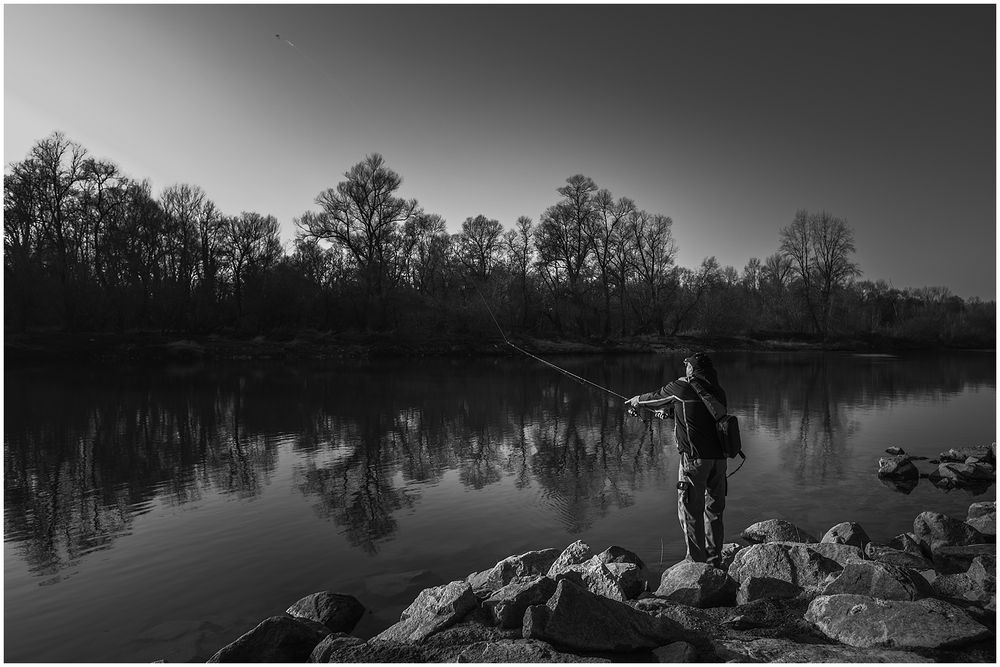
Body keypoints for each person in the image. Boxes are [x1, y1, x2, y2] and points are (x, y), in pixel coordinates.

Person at [626, 352, 728, 568]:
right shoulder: (717, 391)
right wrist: (672, 413)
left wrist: (637, 401)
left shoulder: (681, 386)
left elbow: (655, 397)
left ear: (693, 369)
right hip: (719, 461)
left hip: (695, 461)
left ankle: (696, 564)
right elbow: (700, 415)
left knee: (690, 510)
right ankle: (714, 561)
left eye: (687, 365)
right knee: (714, 511)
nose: (685, 369)